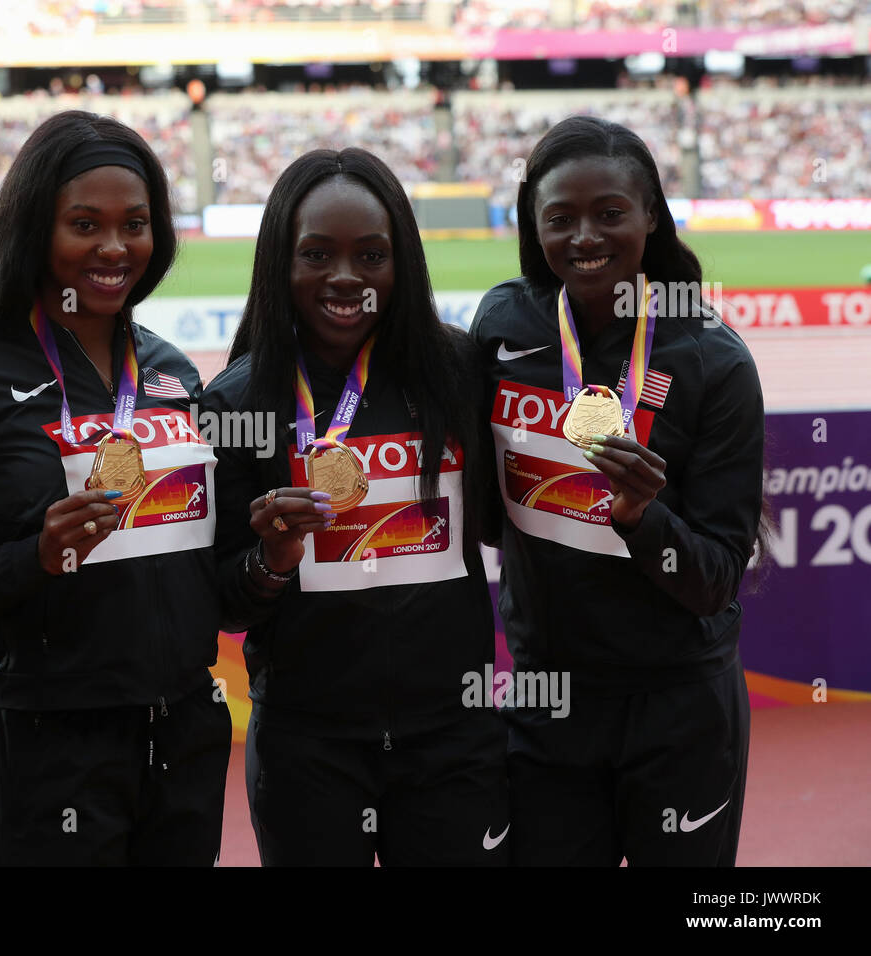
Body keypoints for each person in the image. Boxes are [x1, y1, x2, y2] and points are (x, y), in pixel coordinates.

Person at [0, 111, 231, 866]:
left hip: (186, 725)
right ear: (37, 228)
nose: (114, 247)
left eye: (135, 224)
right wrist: (36, 553)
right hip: (54, 737)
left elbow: (200, 559)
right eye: (84, 224)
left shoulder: (171, 372)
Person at [469, 115, 764, 866]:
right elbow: (492, 514)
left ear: (651, 216)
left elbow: (717, 581)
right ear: (532, 227)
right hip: (547, 694)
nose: (584, 237)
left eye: (609, 213)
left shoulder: (713, 361)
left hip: (677, 704)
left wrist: (640, 520)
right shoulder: (505, 325)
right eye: (559, 218)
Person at [202, 148, 509, 866]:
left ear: (402, 262)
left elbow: (499, 526)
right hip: (308, 745)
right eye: (317, 254)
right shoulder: (235, 402)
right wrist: (270, 561)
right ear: (281, 262)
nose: (346, 278)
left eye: (371, 255)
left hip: (452, 738)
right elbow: (224, 601)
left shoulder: (456, 370)